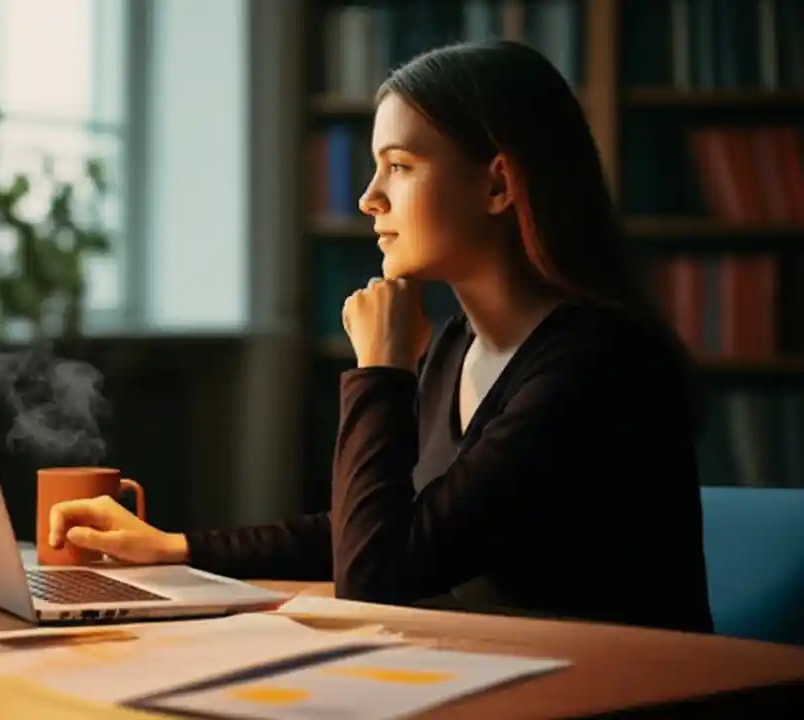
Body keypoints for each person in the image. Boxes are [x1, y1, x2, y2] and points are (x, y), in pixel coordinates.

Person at [47, 40, 715, 634]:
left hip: (625, 692)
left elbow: (378, 579)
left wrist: (383, 369)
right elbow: (393, 529)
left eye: (398, 165)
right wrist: (178, 547)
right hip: (509, 670)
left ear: (498, 184)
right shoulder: (459, 345)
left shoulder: (593, 363)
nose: (369, 197)